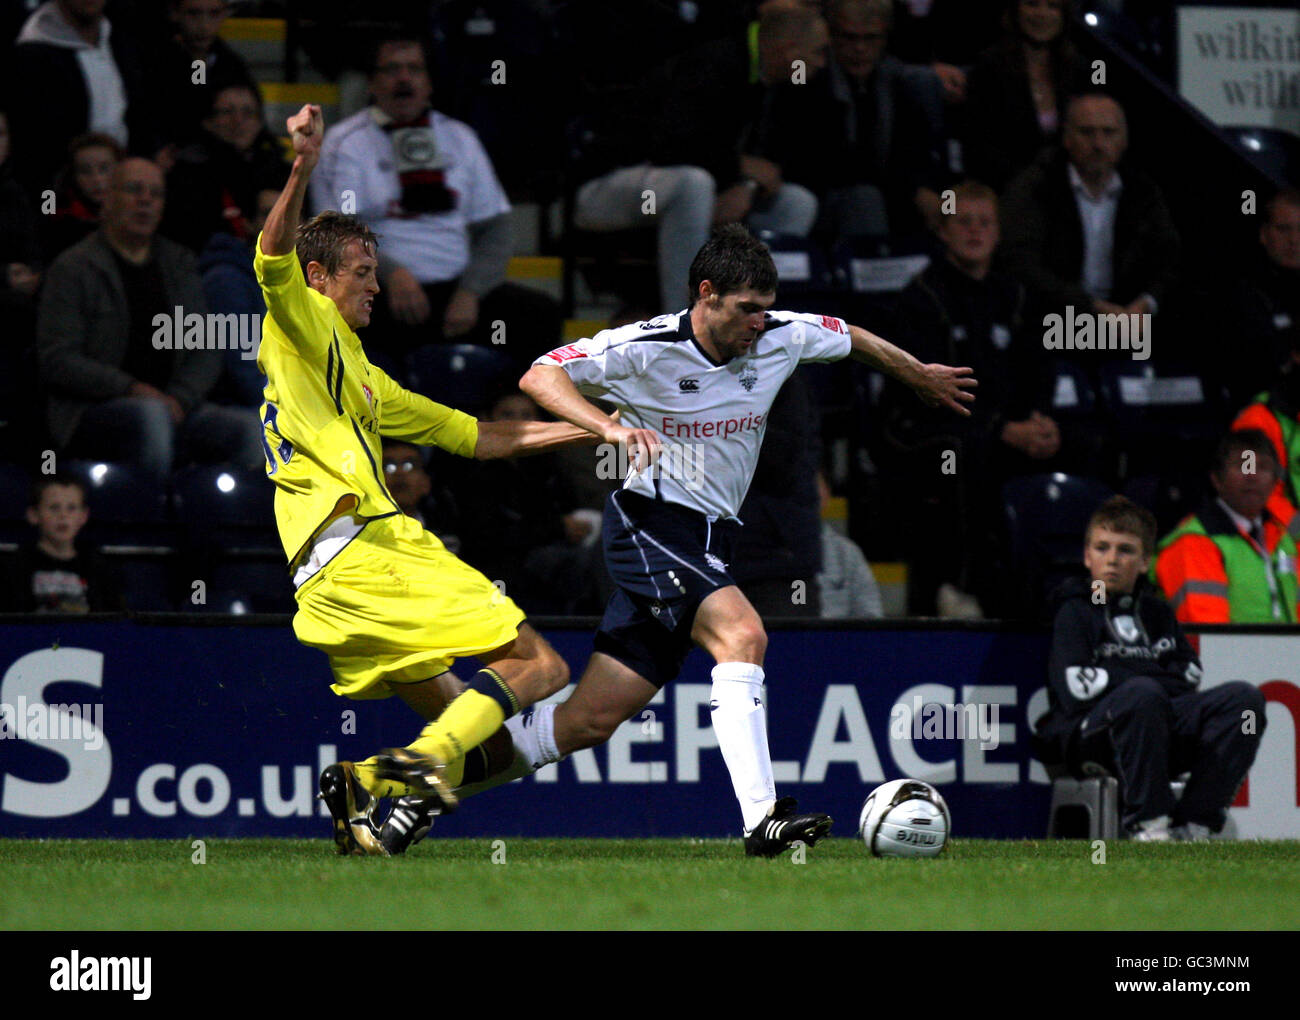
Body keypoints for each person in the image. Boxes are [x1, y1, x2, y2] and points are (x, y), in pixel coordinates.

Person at [511, 224, 975, 856]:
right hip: (653, 524)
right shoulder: (644, 348)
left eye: (766, 307)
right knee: (744, 634)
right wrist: (607, 429)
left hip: (710, 537)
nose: (760, 322)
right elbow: (539, 377)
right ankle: (762, 820)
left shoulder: (779, 334)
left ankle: (418, 789)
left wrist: (915, 372)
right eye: (746, 309)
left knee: (586, 720)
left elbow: (848, 335)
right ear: (706, 294)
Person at [257, 104, 602, 856]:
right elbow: (270, 256)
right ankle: (411, 768)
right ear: (320, 279)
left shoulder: (367, 378)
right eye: (362, 274)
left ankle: (367, 783)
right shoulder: (300, 322)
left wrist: (598, 427)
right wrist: (302, 166)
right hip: (366, 545)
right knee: (539, 664)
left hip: (325, 578)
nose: (375, 288)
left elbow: (480, 436)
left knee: (488, 753)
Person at [310, 34, 559, 368]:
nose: (404, 79)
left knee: (537, 314)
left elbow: (495, 231)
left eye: (414, 69)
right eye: (392, 70)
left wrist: (470, 292)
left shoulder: (460, 138)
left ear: (429, 82)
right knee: (344, 315)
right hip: (376, 289)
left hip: (456, 292)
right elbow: (331, 232)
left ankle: (513, 413)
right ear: (372, 83)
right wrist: (387, 274)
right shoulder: (344, 143)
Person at [1035, 495, 1267, 840]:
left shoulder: (1157, 612)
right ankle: (1149, 824)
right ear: (1086, 556)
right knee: (1143, 694)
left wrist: (1126, 678)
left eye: (1125, 550)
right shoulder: (1074, 611)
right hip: (1092, 738)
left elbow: (1189, 675)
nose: (1112, 560)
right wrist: (1147, 679)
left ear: (1144, 561)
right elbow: (1077, 689)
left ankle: (1196, 824)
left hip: (1158, 729)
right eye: (1102, 548)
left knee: (1243, 702)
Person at [570, 5, 828, 310]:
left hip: (705, 191)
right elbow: (668, 146)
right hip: (610, 186)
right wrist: (737, 168)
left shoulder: (786, 84)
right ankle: (688, 323)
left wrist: (745, 186)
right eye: (818, 52)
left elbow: (773, 166)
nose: (823, 63)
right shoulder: (714, 62)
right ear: (790, 52)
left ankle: (751, 309)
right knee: (693, 185)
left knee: (796, 201)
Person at [880, 180, 1057, 616]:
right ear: (942, 231)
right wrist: (1000, 428)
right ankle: (960, 589)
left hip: (1005, 428)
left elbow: (1038, 369)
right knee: (964, 452)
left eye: (985, 223)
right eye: (963, 223)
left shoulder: (1014, 296)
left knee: (1084, 440)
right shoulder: (921, 298)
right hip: (928, 427)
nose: (975, 232)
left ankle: (1049, 595)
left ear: (998, 233)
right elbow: (927, 390)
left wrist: (1040, 420)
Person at [37, 157, 264, 479]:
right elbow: (57, 359)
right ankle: (148, 522)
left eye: (155, 194)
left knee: (250, 429)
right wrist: (131, 388)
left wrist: (181, 398)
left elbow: (206, 348)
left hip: (175, 405)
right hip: (91, 409)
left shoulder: (179, 263)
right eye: (134, 190)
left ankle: (227, 527)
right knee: (151, 418)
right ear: (109, 198)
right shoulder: (73, 268)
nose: (145, 200)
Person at [763, 0, 948, 241]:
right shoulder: (807, 79)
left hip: (894, 195)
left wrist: (930, 192)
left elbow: (919, 154)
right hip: (822, 198)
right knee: (865, 199)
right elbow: (819, 166)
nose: (860, 48)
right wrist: (910, 188)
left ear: (884, 38)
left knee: (952, 202)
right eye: (849, 38)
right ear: (831, 35)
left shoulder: (902, 84)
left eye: (870, 38)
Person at [999, 92, 1180, 329]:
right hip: (1053, 324)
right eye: (1087, 132)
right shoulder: (1036, 187)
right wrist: (1091, 308)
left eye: (1108, 133)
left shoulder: (1143, 191)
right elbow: (1022, 264)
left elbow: (1168, 258)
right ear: (1067, 138)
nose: (1098, 144)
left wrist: (1145, 304)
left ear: (1124, 140)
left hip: (1125, 325)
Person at [6, 0, 156, 196]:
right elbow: (34, 149)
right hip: (61, 197)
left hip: (124, 189)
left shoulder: (124, 40)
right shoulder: (31, 54)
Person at [1152, 430, 1297, 624]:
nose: (1252, 475)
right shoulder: (1193, 542)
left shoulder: (1284, 539)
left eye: (1261, 467)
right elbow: (1206, 635)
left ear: (1275, 482)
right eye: (1243, 465)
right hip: (1228, 653)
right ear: (1217, 479)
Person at [963, 0, 1088, 193]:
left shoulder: (1078, 69)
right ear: (1016, 10)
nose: (1042, 14)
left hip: (1066, 191)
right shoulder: (989, 67)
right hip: (1005, 190)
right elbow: (978, 146)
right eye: (1032, 4)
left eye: (1053, 6)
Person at [1222, 188, 1300, 408]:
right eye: (1284, 229)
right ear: (1264, 234)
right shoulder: (1243, 298)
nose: (1294, 239)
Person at [0, 474, 120, 613]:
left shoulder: (97, 567)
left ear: (83, 516)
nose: (63, 515)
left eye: (71, 508)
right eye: (54, 507)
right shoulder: (15, 567)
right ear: (33, 514)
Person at [816, 472, 884, 618]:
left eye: (814, 484)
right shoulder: (764, 553)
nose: (806, 493)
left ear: (827, 494)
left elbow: (871, 618)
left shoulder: (847, 554)